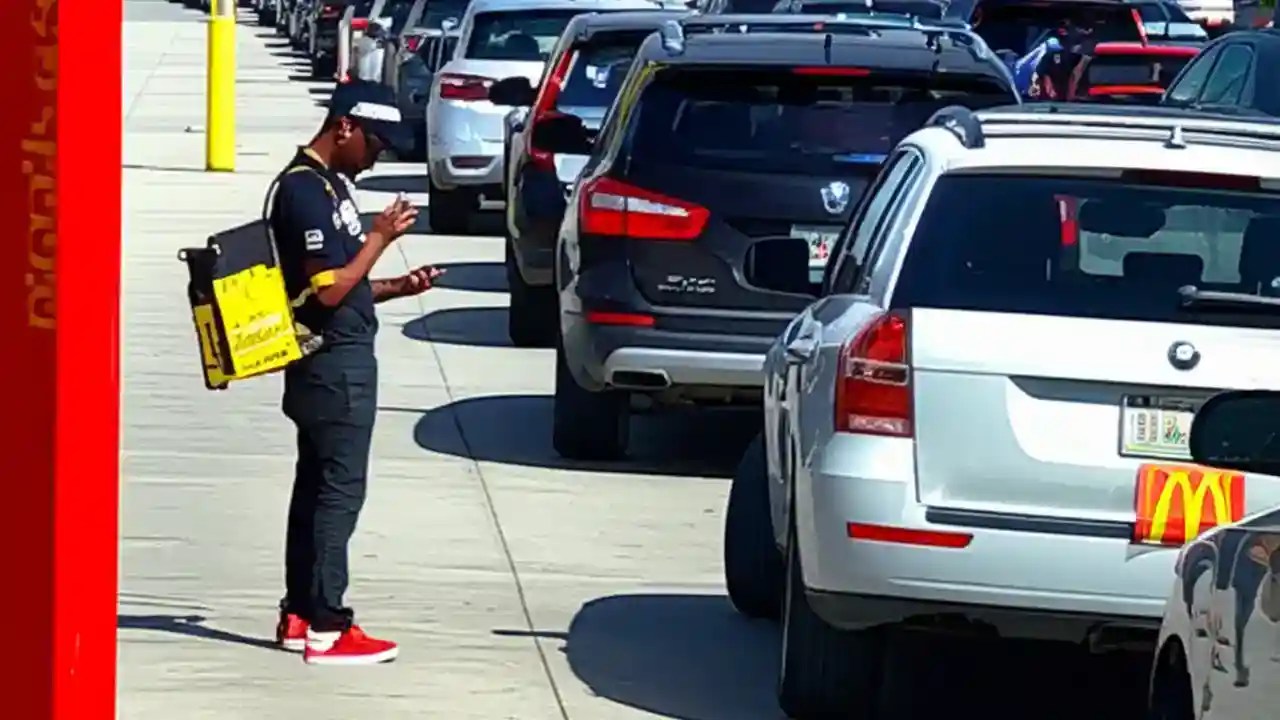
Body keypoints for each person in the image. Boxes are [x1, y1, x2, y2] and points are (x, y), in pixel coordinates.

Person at [268, 79, 441, 665]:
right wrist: (380, 238)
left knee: (317, 489)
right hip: (331, 368)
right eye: (374, 142)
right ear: (344, 127)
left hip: (336, 359)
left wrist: (395, 286)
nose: (377, 156)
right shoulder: (305, 191)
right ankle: (328, 626)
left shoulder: (329, 186)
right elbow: (326, 288)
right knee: (338, 494)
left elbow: (348, 287)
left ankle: (299, 614)